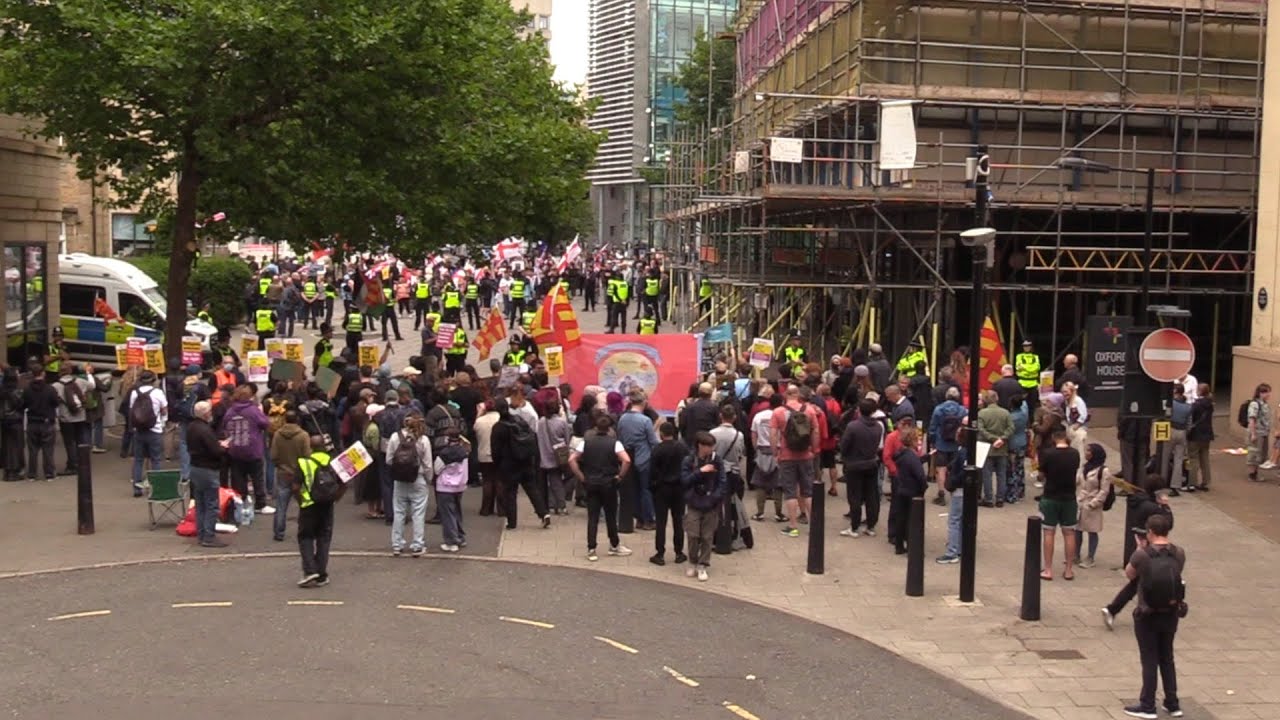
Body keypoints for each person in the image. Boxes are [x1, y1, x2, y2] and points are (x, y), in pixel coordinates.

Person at [1121, 513, 1186, 719]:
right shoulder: (1179, 552)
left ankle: (1148, 705)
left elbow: (1129, 574)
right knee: (1167, 657)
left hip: (1147, 613)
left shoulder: (1143, 554)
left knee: (1149, 659)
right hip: (1171, 612)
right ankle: (1172, 703)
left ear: (1149, 532)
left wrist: (1139, 549)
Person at [1103, 473, 1174, 630]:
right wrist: (1165, 507)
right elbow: (1168, 524)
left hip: (1140, 547)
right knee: (1143, 583)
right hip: (1149, 550)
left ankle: (1113, 609)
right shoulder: (1154, 508)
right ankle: (1118, 609)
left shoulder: (1140, 502)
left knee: (1138, 583)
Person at [568, 413, 633, 561]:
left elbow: (572, 459)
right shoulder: (614, 443)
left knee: (593, 516)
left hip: (591, 483)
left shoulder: (587, 442)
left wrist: (581, 476)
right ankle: (614, 544)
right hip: (609, 483)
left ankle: (591, 548)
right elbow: (627, 460)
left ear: (596, 427)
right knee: (610, 515)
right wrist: (620, 476)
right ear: (609, 428)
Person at [491, 398, 551, 530]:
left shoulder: (498, 427)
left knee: (511, 493)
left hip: (509, 464)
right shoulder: (519, 420)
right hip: (525, 460)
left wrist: (497, 466)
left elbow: (495, 450)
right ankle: (544, 513)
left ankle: (512, 522)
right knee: (532, 488)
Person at [771, 385, 820, 538]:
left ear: (785, 394)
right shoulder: (810, 410)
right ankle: (815, 526)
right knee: (808, 491)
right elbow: (815, 431)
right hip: (805, 455)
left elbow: (773, 434)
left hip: (787, 456)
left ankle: (793, 526)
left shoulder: (778, 412)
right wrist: (813, 449)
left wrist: (775, 452)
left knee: (790, 492)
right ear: (798, 394)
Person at [680, 431, 727, 581]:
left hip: (711, 503)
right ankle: (692, 560)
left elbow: (722, 481)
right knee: (693, 534)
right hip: (694, 502)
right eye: (709, 446)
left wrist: (715, 496)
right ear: (700, 446)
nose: (712, 449)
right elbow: (684, 480)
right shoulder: (689, 460)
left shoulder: (717, 460)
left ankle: (703, 564)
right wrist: (700, 471)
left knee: (707, 536)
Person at [386, 413, 434, 557]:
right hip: (418, 479)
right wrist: (428, 479)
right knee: (418, 513)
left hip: (399, 480)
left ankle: (397, 545)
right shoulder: (423, 440)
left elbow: (389, 460)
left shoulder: (395, 437)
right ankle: (417, 545)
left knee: (399, 512)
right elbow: (428, 464)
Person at [293, 439, 339, 587]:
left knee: (305, 537)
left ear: (311, 447)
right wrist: (335, 498)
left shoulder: (304, 463)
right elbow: (344, 483)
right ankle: (321, 574)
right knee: (323, 538)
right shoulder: (334, 463)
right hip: (327, 505)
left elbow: (295, 487)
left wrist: (301, 501)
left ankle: (310, 570)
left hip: (308, 505)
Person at [1039, 429, 1080, 581]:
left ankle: (1048, 569)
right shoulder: (1075, 454)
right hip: (1069, 497)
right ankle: (1069, 569)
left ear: (1053, 438)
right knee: (1069, 533)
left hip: (1050, 496)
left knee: (1049, 532)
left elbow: (1042, 474)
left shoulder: (1048, 454)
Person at [221, 385, 270, 512]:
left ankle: (241, 502)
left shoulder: (230, 411)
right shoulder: (253, 410)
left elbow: (225, 425)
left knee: (238, 478)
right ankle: (260, 504)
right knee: (257, 478)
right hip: (253, 449)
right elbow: (265, 424)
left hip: (235, 449)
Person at [839, 398, 883, 538]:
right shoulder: (878, 426)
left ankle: (854, 526)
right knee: (871, 495)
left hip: (854, 464)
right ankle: (871, 525)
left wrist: (844, 457)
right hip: (871, 463)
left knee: (854, 496)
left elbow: (844, 446)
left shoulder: (853, 426)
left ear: (859, 410)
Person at [187, 401, 229, 548]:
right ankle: (209, 536)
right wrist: (223, 447)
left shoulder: (191, 427)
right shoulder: (205, 430)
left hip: (195, 468)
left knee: (200, 504)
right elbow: (215, 451)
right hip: (208, 469)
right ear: (206, 413)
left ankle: (201, 534)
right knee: (211, 505)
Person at [648, 422, 688, 565]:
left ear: (661, 434)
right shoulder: (682, 448)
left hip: (662, 488)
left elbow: (652, 471)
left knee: (661, 522)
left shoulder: (657, 449)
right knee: (678, 521)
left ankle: (660, 553)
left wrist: (652, 487)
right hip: (679, 489)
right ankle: (679, 552)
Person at [270, 410, 312, 542]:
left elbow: (273, 455)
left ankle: (279, 532)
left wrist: (280, 465)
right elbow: (307, 455)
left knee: (281, 504)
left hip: (283, 472)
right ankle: (305, 531)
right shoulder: (303, 435)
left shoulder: (278, 434)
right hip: (299, 474)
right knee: (304, 504)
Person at [127, 370, 167, 495]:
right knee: (156, 460)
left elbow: (131, 410)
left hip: (139, 430)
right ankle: (157, 488)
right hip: (155, 430)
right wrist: (163, 422)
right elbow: (165, 410)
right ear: (153, 380)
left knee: (138, 460)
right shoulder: (158, 393)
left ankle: (137, 488)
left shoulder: (134, 393)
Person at [1075, 443, 1112, 569]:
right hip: (1081, 502)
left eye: (1089, 451)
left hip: (1093, 505)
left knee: (1092, 531)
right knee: (1077, 530)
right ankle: (1076, 554)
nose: (1086, 453)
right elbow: (1078, 481)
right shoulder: (1084, 467)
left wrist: (1094, 503)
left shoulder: (1104, 471)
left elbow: (1104, 490)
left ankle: (1090, 557)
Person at [54, 363, 95, 476]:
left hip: (66, 419)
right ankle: (83, 463)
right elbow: (92, 386)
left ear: (59, 372)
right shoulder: (80, 382)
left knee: (69, 443)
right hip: (80, 416)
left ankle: (72, 465)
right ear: (70, 371)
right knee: (80, 441)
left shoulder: (56, 386)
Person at [434, 428, 470, 551]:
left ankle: (451, 541)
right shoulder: (463, 452)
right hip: (459, 486)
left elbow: (437, 469)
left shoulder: (444, 453)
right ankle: (460, 537)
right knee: (457, 512)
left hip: (445, 487)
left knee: (447, 514)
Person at [929, 386, 966, 506]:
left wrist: (933, 441)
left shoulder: (939, 409)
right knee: (954, 468)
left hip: (941, 443)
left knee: (941, 469)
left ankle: (941, 494)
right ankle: (953, 491)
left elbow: (933, 427)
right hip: (956, 444)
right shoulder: (963, 410)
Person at [976, 389, 1012, 507]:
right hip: (1002, 448)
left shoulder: (981, 413)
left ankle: (989, 499)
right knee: (1001, 474)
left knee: (987, 475)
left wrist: (992, 438)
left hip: (987, 447)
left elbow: (981, 429)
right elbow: (1011, 428)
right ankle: (1000, 498)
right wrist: (1002, 439)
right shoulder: (1005, 413)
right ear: (997, 398)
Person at [1185, 384, 1213, 492]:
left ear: (1200, 392)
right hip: (1207, 435)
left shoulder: (1195, 405)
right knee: (1205, 458)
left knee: (1193, 459)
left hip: (1195, 434)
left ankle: (1192, 483)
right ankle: (1206, 481)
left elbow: (1190, 418)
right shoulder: (1210, 404)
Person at [1245, 383, 1271, 481]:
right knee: (1254, 453)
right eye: (1267, 392)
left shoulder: (1265, 404)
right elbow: (1252, 419)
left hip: (1263, 432)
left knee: (1260, 454)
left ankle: (1255, 473)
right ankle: (1252, 474)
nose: (1268, 395)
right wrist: (1253, 433)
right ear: (1260, 393)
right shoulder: (1255, 404)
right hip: (1257, 432)